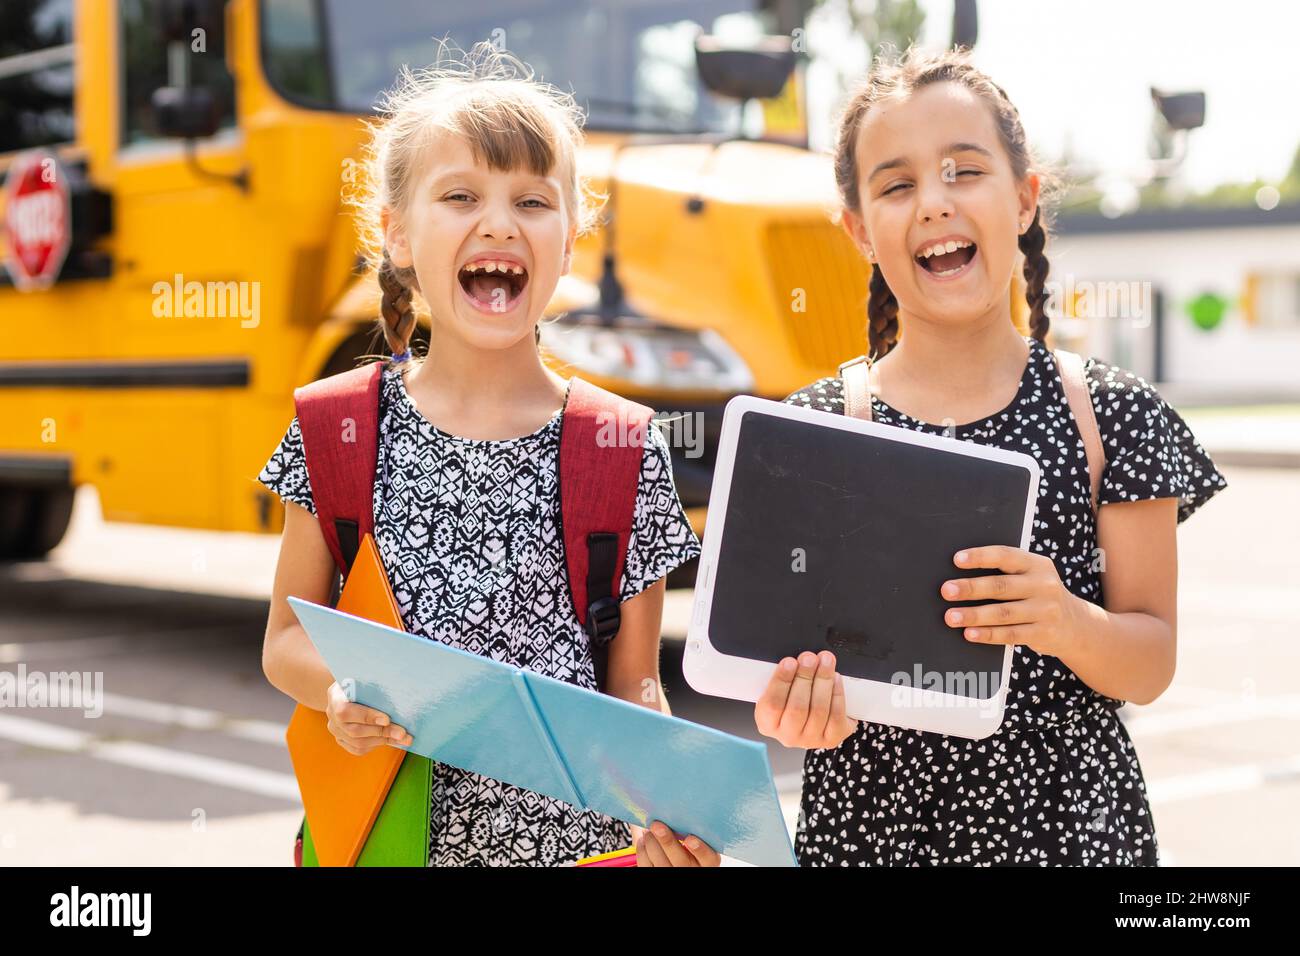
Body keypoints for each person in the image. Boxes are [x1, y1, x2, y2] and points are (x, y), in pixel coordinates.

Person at [754, 45, 1227, 865]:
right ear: (860, 230)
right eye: (897, 185)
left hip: (1072, 838)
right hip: (871, 841)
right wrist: (792, 709)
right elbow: (772, 675)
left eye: (964, 170)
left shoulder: (1112, 416)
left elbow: (1150, 665)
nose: (933, 202)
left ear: (1024, 199)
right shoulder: (815, 430)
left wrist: (1065, 620)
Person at [257, 43, 718, 867]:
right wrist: (335, 693)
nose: (499, 222)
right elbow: (286, 636)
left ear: (571, 241)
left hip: (570, 848)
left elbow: (636, 684)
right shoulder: (337, 429)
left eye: (533, 202)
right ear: (396, 236)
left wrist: (670, 802)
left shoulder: (621, 443)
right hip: (385, 843)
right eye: (461, 195)